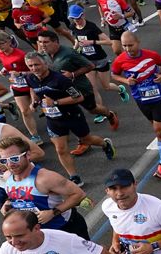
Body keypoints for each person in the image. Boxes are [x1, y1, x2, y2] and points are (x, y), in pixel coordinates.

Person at [23, 51, 116, 181]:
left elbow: (78, 97)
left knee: (86, 139)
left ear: (45, 63)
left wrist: (55, 102)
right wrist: (35, 101)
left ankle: (105, 144)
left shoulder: (60, 79)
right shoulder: (30, 78)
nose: (34, 68)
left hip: (71, 115)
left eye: (36, 64)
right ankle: (74, 176)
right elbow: (33, 89)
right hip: (53, 119)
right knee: (60, 149)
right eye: (30, 66)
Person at [0, 135, 91, 238]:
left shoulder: (45, 178)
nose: (10, 164)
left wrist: (52, 213)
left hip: (65, 228)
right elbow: (17, 193)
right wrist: (8, 202)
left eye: (14, 158)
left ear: (28, 155)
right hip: (39, 233)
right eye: (4, 161)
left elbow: (79, 194)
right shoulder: (7, 176)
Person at [110, 32, 161, 179]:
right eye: (124, 45)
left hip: (158, 97)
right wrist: (126, 81)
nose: (127, 48)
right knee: (159, 129)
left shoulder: (151, 55)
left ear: (138, 42)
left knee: (158, 130)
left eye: (130, 45)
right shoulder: (120, 60)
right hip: (141, 99)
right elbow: (114, 74)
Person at [0, 30, 42, 143]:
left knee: (41, 106)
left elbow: (35, 71)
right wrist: (5, 70)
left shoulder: (21, 55)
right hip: (18, 86)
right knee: (25, 111)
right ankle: (35, 136)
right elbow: (8, 65)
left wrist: (21, 73)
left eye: (1, 43)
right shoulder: (0, 54)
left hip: (32, 84)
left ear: (8, 41)